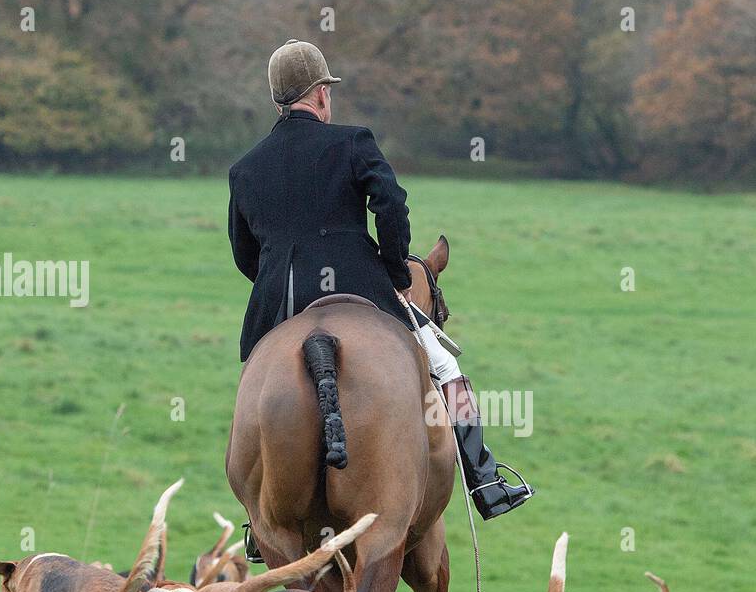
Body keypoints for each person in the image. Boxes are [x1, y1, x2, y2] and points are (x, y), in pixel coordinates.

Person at [227, 39, 533, 520]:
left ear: (277, 101)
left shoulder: (245, 168)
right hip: (360, 285)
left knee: (261, 389)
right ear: (322, 95)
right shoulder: (352, 141)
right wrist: (392, 271)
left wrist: (280, 280)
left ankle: (260, 516)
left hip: (281, 303)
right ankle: (486, 480)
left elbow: (245, 255)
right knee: (445, 369)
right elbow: (390, 205)